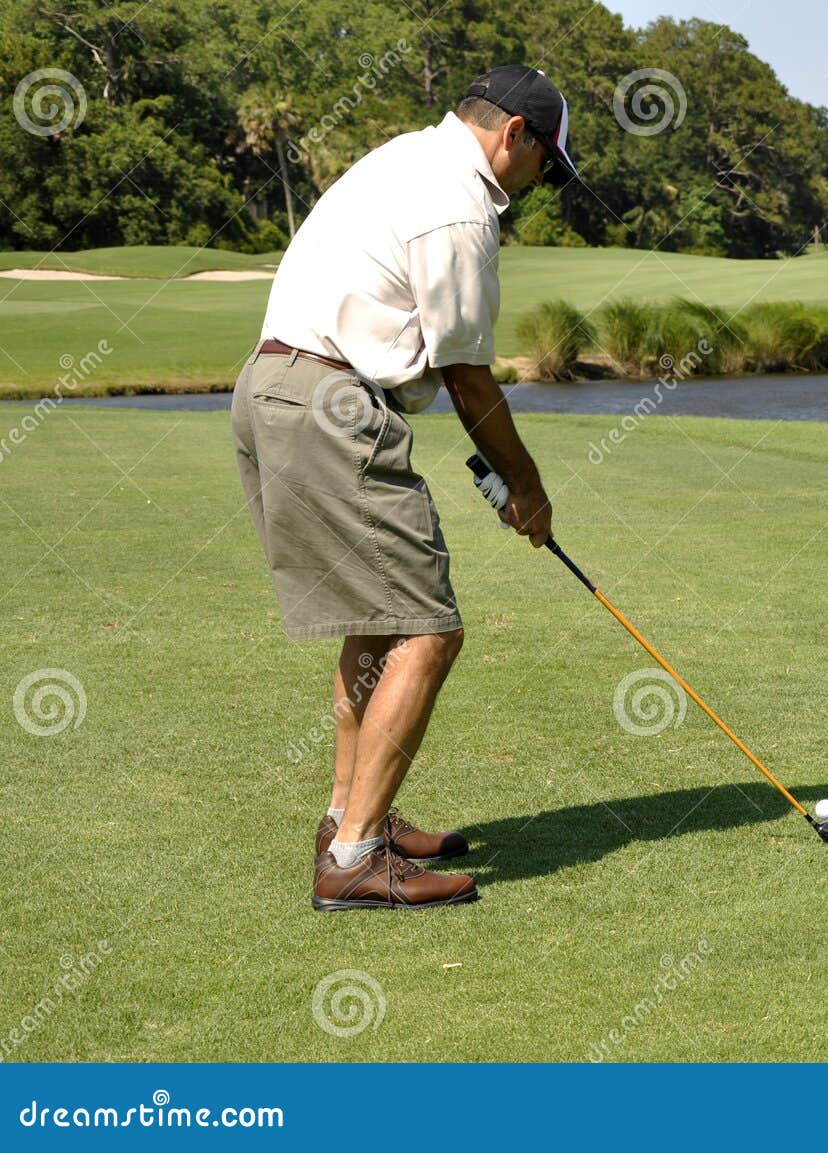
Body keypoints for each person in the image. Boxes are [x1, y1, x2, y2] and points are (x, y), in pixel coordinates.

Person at [230, 66, 578, 911]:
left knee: (378, 625)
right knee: (429, 631)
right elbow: (467, 376)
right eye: (546, 167)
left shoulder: (405, 157)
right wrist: (526, 488)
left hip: (271, 386)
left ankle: (354, 819)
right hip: (331, 402)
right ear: (514, 137)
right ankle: (352, 860)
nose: (540, 186)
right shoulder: (460, 205)